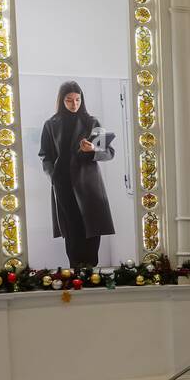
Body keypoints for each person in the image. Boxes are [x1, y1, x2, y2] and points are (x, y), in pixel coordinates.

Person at [39, 81, 115, 269]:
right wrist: (53, 176)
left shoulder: (92, 122)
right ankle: (75, 270)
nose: (74, 104)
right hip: (62, 183)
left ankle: (91, 270)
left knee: (91, 227)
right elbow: (45, 155)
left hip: (88, 184)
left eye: (77, 100)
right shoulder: (51, 124)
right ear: (61, 101)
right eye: (69, 100)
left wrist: (93, 148)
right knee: (71, 230)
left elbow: (109, 152)